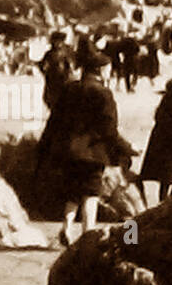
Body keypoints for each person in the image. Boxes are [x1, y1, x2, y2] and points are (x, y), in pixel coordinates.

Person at [55, 47, 135, 245]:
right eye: (108, 69)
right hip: (94, 151)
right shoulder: (104, 93)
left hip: (70, 148)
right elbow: (109, 129)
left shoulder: (70, 88)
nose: (110, 72)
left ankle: (67, 226)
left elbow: (57, 119)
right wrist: (127, 148)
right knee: (91, 193)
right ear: (99, 70)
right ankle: (87, 233)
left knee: (73, 192)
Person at [38, 30, 77, 111]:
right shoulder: (49, 54)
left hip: (62, 80)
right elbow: (42, 65)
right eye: (56, 41)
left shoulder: (66, 52)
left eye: (59, 41)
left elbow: (70, 66)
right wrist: (45, 73)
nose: (57, 43)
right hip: (53, 80)